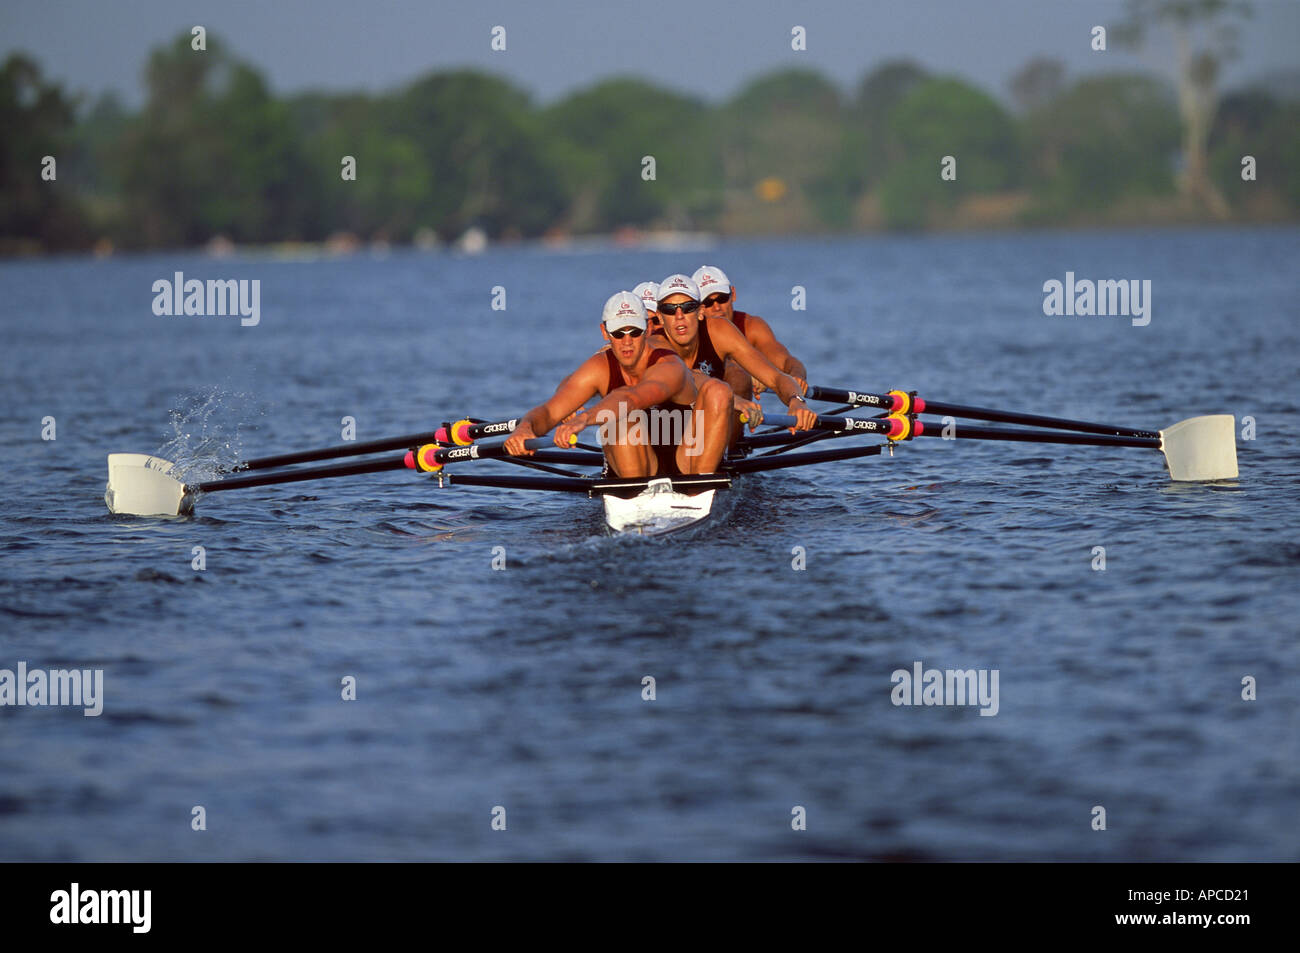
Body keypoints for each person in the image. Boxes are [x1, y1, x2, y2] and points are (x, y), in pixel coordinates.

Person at [504, 291, 732, 478]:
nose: (627, 342)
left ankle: (701, 489)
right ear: (605, 332)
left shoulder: (669, 365)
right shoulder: (598, 368)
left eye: (635, 332)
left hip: (689, 464)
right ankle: (634, 499)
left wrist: (583, 419)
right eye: (618, 333)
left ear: (648, 329)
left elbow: (631, 398)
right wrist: (525, 429)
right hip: (634, 470)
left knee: (719, 391)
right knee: (618, 414)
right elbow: (549, 411)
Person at [651, 274, 817, 433]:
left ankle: (730, 449)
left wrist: (797, 401)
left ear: (700, 312)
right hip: (665, 433)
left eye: (688, 308)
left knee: (737, 375)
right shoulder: (654, 344)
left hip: (706, 433)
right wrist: (735, 400)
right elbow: (689, 376)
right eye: (670, 310)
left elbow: (776, 377)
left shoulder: (721, 330)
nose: (679, 316)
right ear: (660, 316)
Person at [692, 265, 808, 398]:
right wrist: (749, 374)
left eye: (722, 298)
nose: (717, 307)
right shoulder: (687, 332)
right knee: (738, 375)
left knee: (739, 376)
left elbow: (786, 361)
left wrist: (796, 378)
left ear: (733, 294)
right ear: (696, 308)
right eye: (707, 302)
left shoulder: (752, 327)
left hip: (729, 406)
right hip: (690, 405)